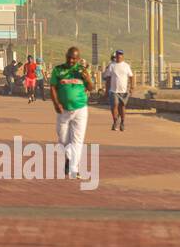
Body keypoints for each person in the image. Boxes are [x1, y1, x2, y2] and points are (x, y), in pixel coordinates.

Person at [50, 46, 93, 177]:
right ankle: (69, 157)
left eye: (74, 58)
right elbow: (52, 88)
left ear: (78, 59)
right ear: (66, 56)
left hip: (80, 109)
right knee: (63, 140)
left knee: (77, 141)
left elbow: (91, 87)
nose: (71, 60)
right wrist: (56, 103)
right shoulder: (58, 70)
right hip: (63, 110)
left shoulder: (81, 71)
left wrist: (87, 79)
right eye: (69, 57)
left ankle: (74, 168)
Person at [102, 50, 133, 131]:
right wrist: (106, 91)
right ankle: (115, 121)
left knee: (122, 106)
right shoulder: (112, 66)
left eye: (120, 55)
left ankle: (122, 122)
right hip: (113, 90)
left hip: (124, 90)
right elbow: (108, 78)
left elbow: (131, 76)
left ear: (123, 56)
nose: (119, 56)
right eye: (118, 55)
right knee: (114, 105)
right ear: (115, 57)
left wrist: (132, 87)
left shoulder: (126, 66)